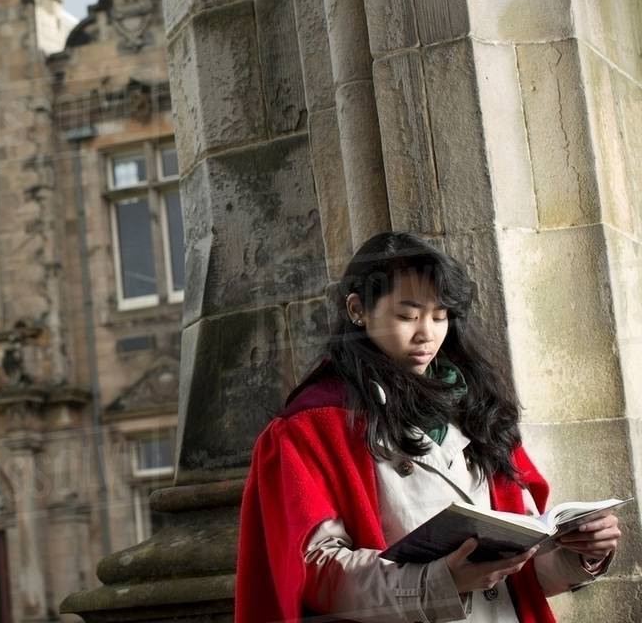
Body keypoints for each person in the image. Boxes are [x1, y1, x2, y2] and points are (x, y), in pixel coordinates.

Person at [234, 232, 622, 622]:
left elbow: (520, 579)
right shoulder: (312, 426)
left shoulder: (479, 409)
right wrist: (438, 582)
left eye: (439, 316)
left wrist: (580, 555)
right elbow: (314, 572)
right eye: (407, 316)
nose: (427, 334)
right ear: (357, 309)